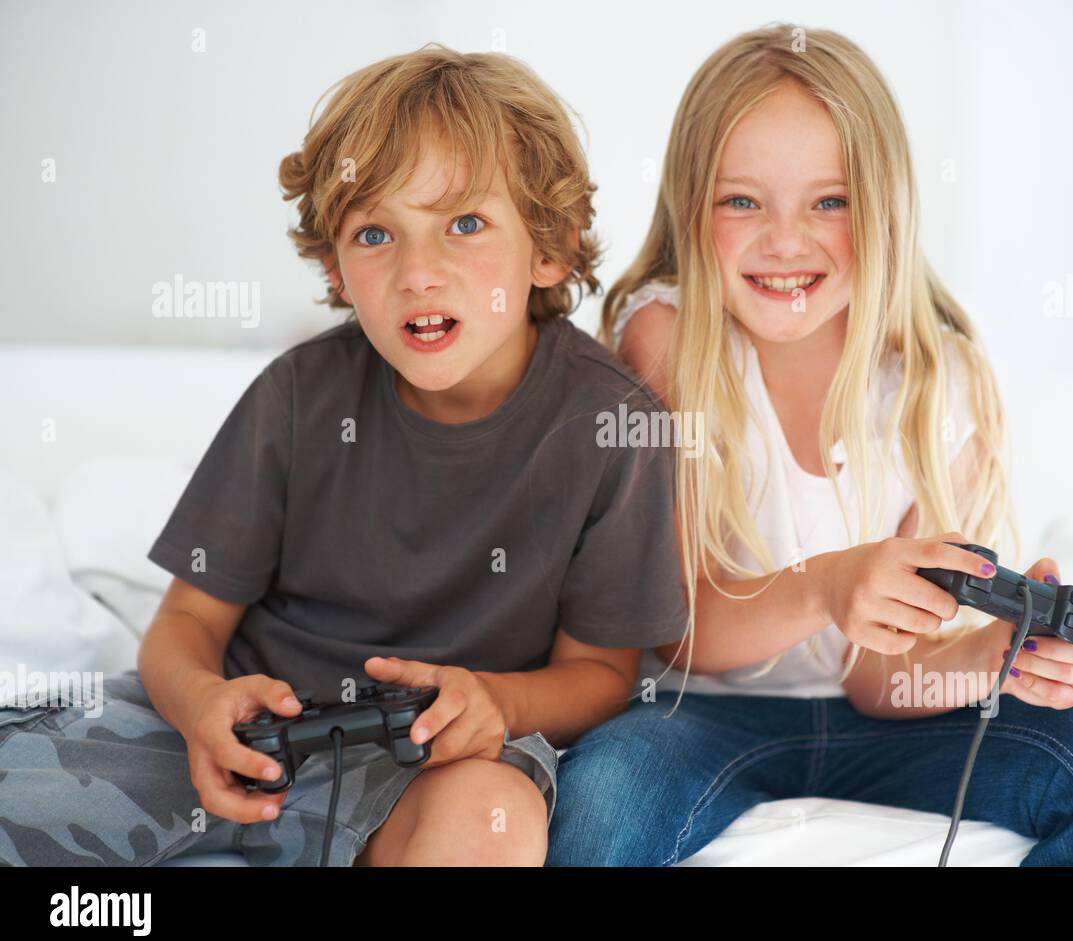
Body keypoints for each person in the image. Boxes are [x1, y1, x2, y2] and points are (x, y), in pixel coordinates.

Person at [0, 44, 687, 867]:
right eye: (375, 234)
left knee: (491, 813)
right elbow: (183, 622)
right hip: (241, 741)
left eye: (464, 224)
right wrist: (201, 706)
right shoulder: (297, 397)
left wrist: (495, 701)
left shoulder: (613, 423)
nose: (418, 272)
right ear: (334, 267)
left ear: (551, 247)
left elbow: (602, 675)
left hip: (431, 763)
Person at [544, 24, 1073, 867]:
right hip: (690, 715)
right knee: (607, 791)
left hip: (871, 724)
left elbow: (880, 682)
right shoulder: (670, 336)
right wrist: (826, 585)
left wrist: (992, 652)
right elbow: (677, 631)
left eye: (830, 201)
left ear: (883, 207)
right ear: (690, 205)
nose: (785, 240)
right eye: (742, 200)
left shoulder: (935, 377)